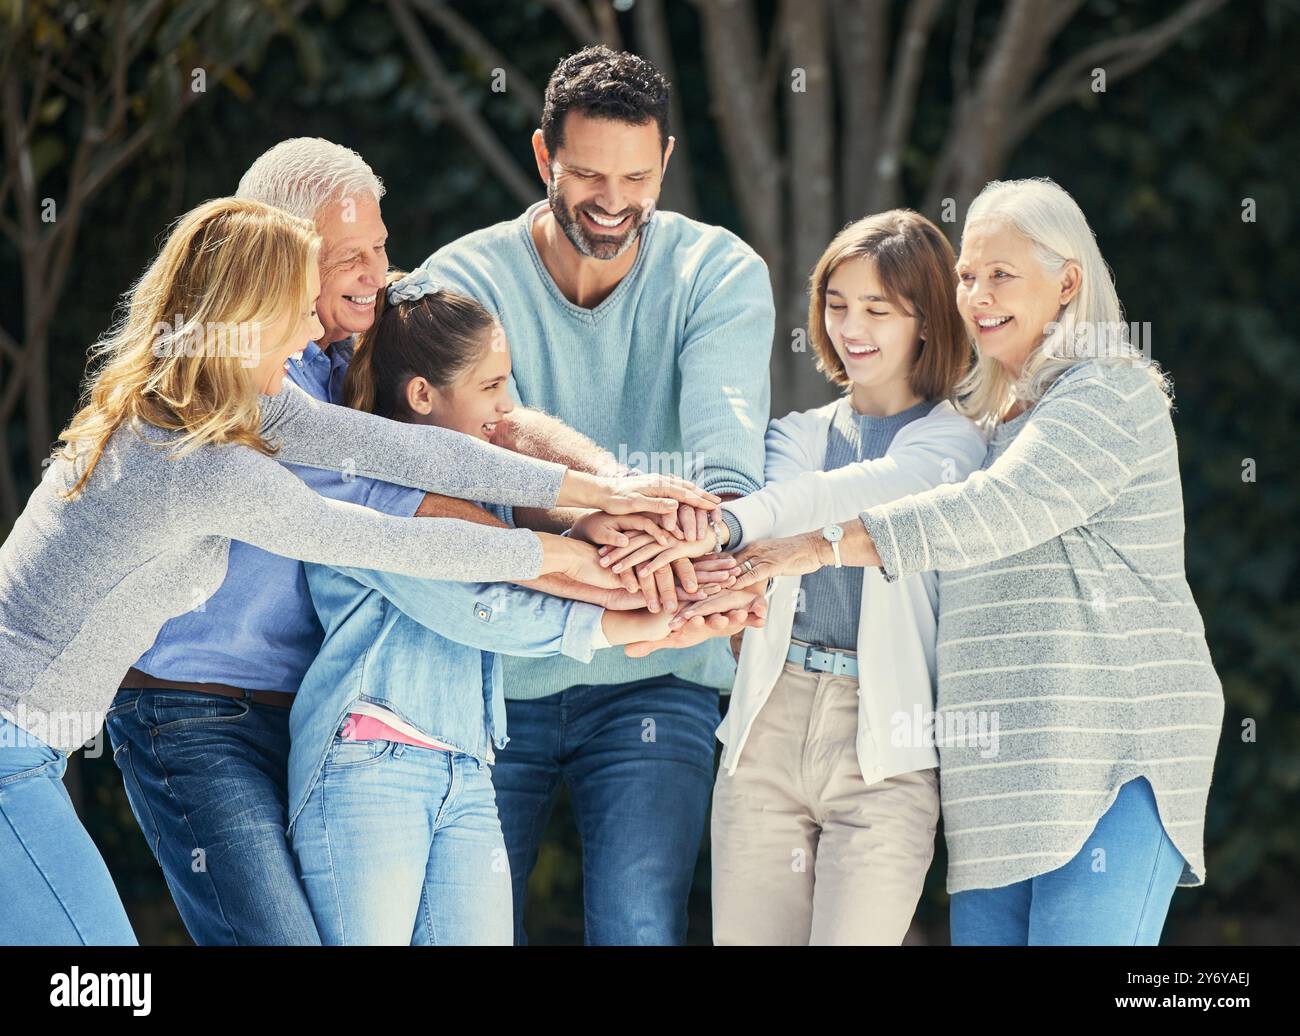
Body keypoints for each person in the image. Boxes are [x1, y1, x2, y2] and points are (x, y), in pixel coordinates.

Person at [0, 196, 714, 946]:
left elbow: (405, 452)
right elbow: (384, 540)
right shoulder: (202, 465)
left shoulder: (219, 406)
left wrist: (600, 493)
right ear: (248, 314)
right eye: (297, 308)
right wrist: (573, 557)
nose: (316, 330)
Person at [714, 177, 1225, 946]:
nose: (977, 294)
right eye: (967, 276)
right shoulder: (995, 424)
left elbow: (998, 510)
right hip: (1001, 785)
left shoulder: (1109, 391)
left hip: (1108, 762)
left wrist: (820, 546)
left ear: (1068, 284)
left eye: (1001, 274)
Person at [419, 46, 773, 944]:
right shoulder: (461, 282)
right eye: (585, 176)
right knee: (465, 928)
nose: (613, 201)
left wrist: (707, 533)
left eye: (637, 176)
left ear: (665, 163)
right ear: (545, 159)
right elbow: (477, 455)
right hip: (498, 663)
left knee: (639, 928)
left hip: (659, 665)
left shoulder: (719, 273)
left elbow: (726, 453)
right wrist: (616, 516)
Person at [286, 268, 744, 944]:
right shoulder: (368, 489)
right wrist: (622, 621)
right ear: (421, 395)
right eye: (492, 387)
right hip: (369, 765)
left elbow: (533, 545)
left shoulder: (483, 485)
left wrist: (665, 587)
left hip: (468, 767)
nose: (507, 407)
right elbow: (476, 605)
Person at [702, 211, 986, 944]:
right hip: (769, 726)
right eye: (837, 304)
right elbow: (793, 505)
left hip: (886, 746)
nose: (850, 327)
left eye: (877, 310)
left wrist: (737, 526)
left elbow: (847, 498)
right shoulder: (796, 435)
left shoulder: (953, 445)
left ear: (925, 321)